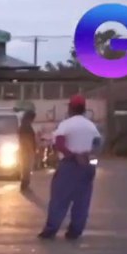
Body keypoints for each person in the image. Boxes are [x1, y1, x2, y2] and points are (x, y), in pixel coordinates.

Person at [40, 95, 102, 240]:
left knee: (59, 199)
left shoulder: (66, 124)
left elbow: (59, 143)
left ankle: (51, 230)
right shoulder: (90, 125)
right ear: (84, 109)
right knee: (82, 200)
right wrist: (88, 154)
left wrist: (72, 155)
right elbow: (98, 143)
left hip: (69, 165)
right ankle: (75, 231)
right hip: (87, 166)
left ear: (71, 108)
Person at [18, 109, 38, 190]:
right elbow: (29, 139)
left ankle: (25, 182)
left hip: (23, 149)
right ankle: (25, 183)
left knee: (24, 166)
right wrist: (33, 148)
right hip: (27, 149)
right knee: (27, 167)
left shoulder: (22, 126)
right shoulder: (27, 127)